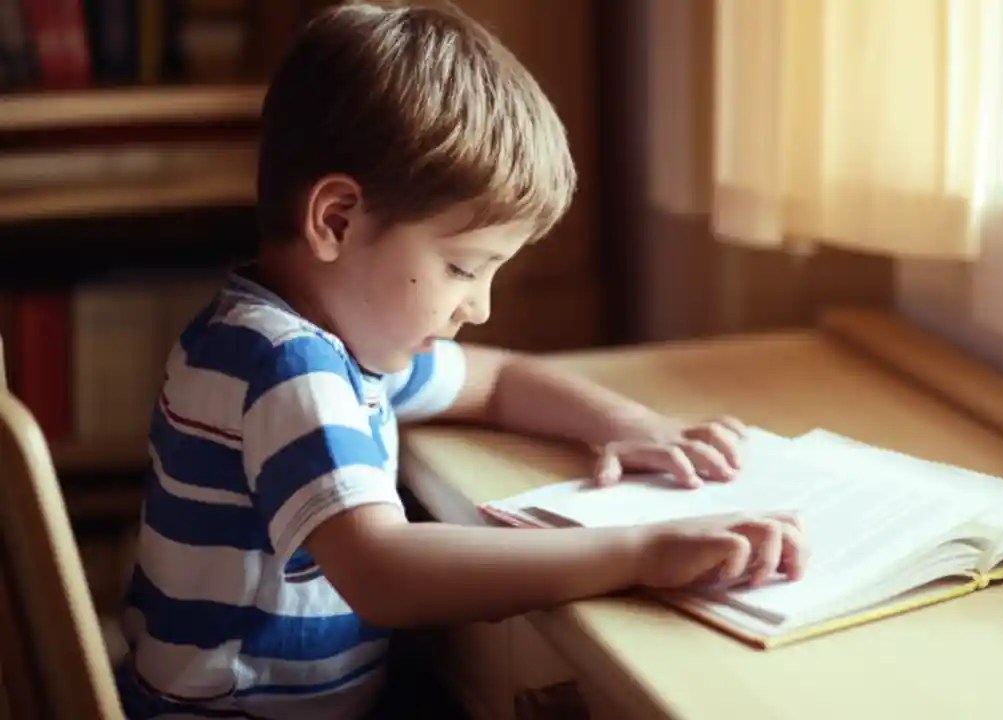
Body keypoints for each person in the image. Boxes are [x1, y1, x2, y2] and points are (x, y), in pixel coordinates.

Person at [115, 3, 808, 718]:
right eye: (462, 268)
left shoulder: (316, 335)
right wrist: (639, 552)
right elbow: (386, 570)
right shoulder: (286, 366)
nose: (479, 308)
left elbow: (499, 379)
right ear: (337, 221)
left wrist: (628, 423)